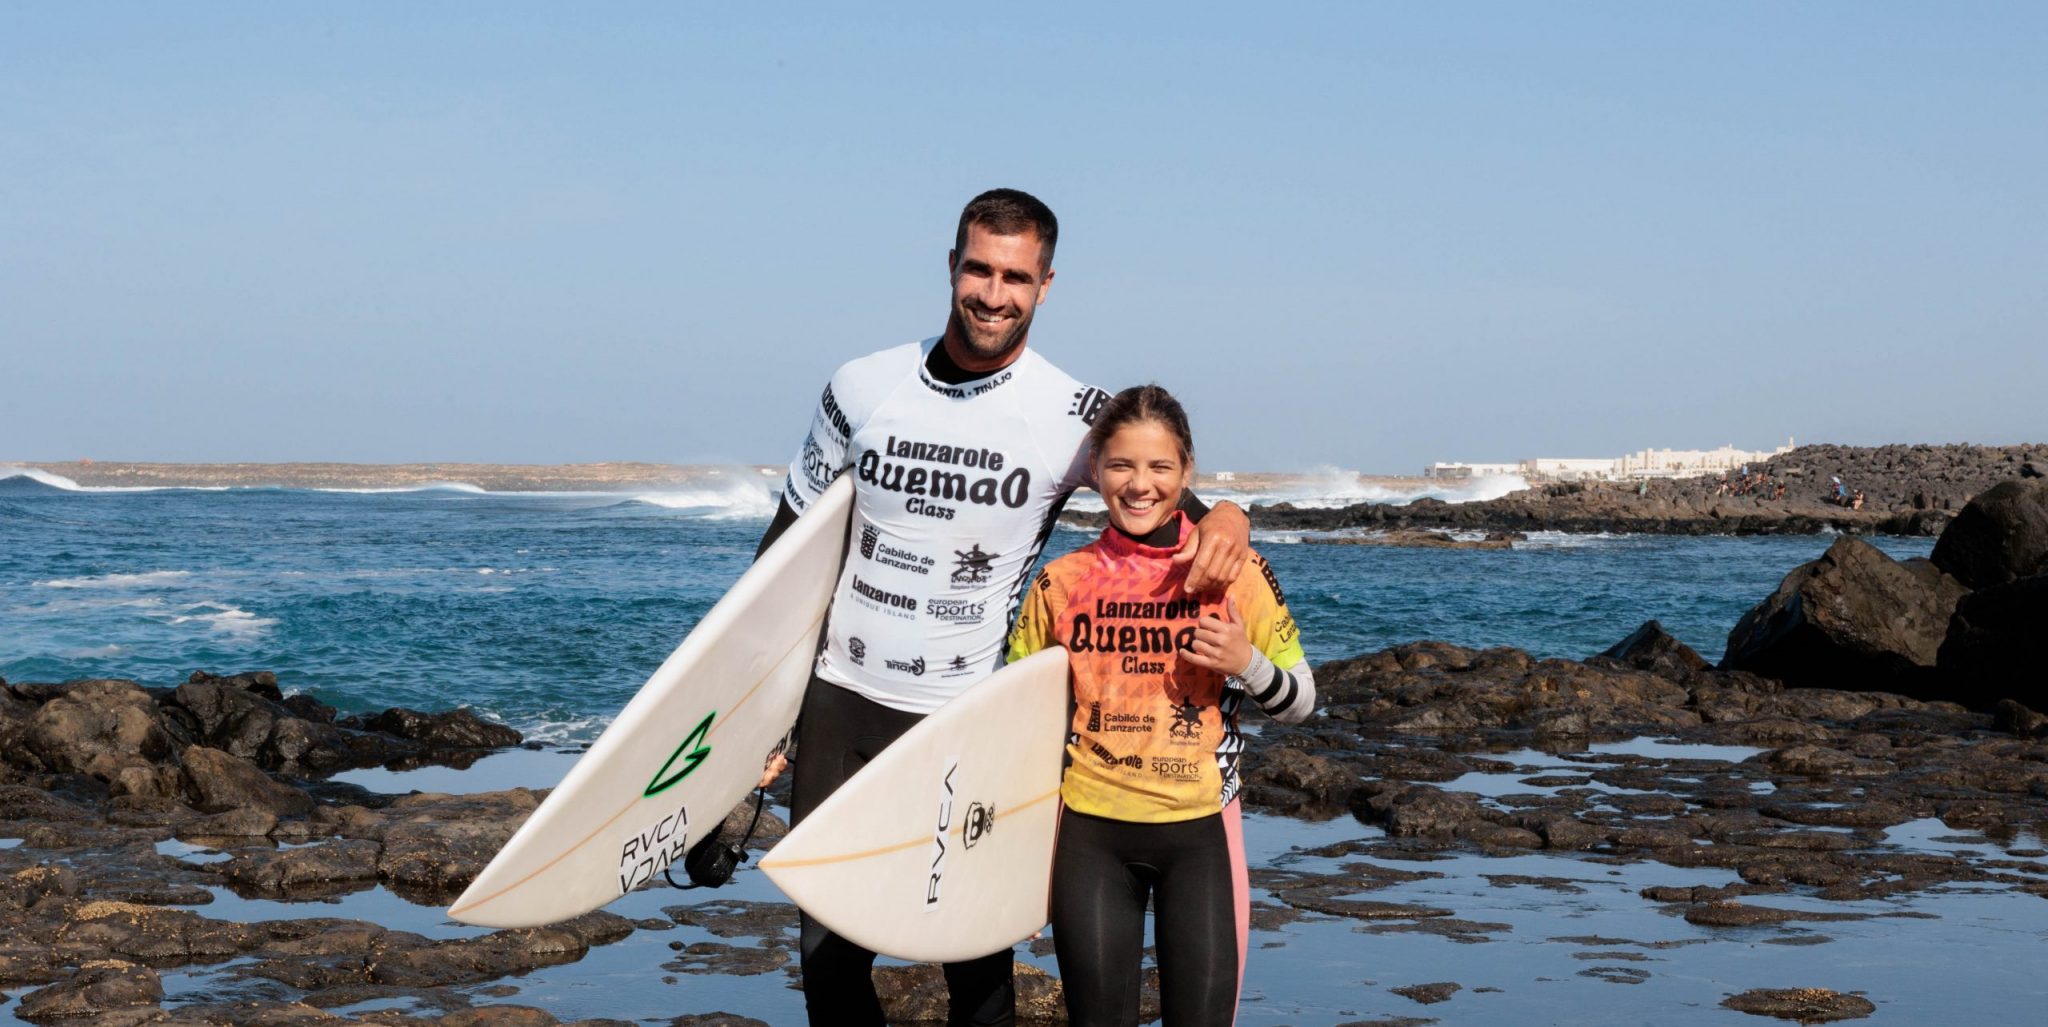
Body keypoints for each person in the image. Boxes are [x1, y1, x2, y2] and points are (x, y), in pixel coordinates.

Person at [753, 189, 1252, 1027]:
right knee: (829, 957)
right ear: (951, 266)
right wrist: (754, 715)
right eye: (979, 268)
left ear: (1046, 285)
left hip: (970, 715)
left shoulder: (1071, 416)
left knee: (976, 964)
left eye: (1015, 277)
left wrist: (1231, 515)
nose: (993, 292)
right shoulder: (862, 385)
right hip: (842, 699)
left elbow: (1158, 489)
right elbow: (783, 546)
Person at [1006, 385, 1315, 1027]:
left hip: (1201, 834)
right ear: (1094, 470)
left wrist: (1245, 666)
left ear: (1187, 472)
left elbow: (1302, 703)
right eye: (1121, 465)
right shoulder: (1059, 583)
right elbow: (1011, 720)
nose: (1139, 484)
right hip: (1089, 836)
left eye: (1159, 467)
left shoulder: (1237, 571)